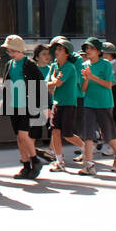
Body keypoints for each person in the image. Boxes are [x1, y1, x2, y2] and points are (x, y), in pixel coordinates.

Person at [1, 34, 45, 179]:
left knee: (23, 135)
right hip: (14, 105)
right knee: (19, 138)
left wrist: (45, 106)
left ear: (19, 50)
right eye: (8, 51)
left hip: (28, 105)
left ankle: (35, 160)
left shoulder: (30, 65)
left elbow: (40, 84)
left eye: (12, 51)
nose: (10, 54)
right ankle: (26, 166)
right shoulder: (9, 65)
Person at [78, 39, 116, 174]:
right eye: (87, 48)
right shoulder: (84, 65)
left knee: (108, 135)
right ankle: (89, 164)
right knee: (88, 135)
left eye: (91, 48)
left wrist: (92, 77)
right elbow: (83, 88)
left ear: (98, 51)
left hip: (104, 103)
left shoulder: (106, 65)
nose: (88, 51)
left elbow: (108, 84)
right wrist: (86, 79)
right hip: (89, 104)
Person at [47, 37, 83, 171]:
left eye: (60, 49)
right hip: (57, 103)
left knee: (67, 135)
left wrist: (53, 80)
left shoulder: (69, 67)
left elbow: (57, 83)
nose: (57, 51)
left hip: (68, 104)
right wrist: (53, 80)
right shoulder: (55, 66)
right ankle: (59, 161)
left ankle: (85, 149)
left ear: (67, 53)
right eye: (56, 49)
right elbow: (48, 83)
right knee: (55, 132)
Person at [32, 44, 55, 160]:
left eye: (48, 54)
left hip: (49, 103)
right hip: (36, 103)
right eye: (44, 54)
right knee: (34, 130)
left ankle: (53, 152)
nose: (47, 56)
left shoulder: (51, 69)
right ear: (37, 57)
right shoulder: (33, 69)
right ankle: (32, 153)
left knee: (52, 128)